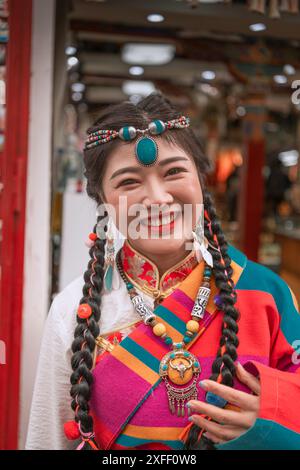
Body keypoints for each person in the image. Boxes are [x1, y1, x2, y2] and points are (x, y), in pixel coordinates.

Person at [26, 93, 300, 451]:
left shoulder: (265, 293)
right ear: (103, 200)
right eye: (128, 182)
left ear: (201, 179)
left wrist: (273, 417)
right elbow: (48, 439)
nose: (157, 198)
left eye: (174, 172)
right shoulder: (72, 312)